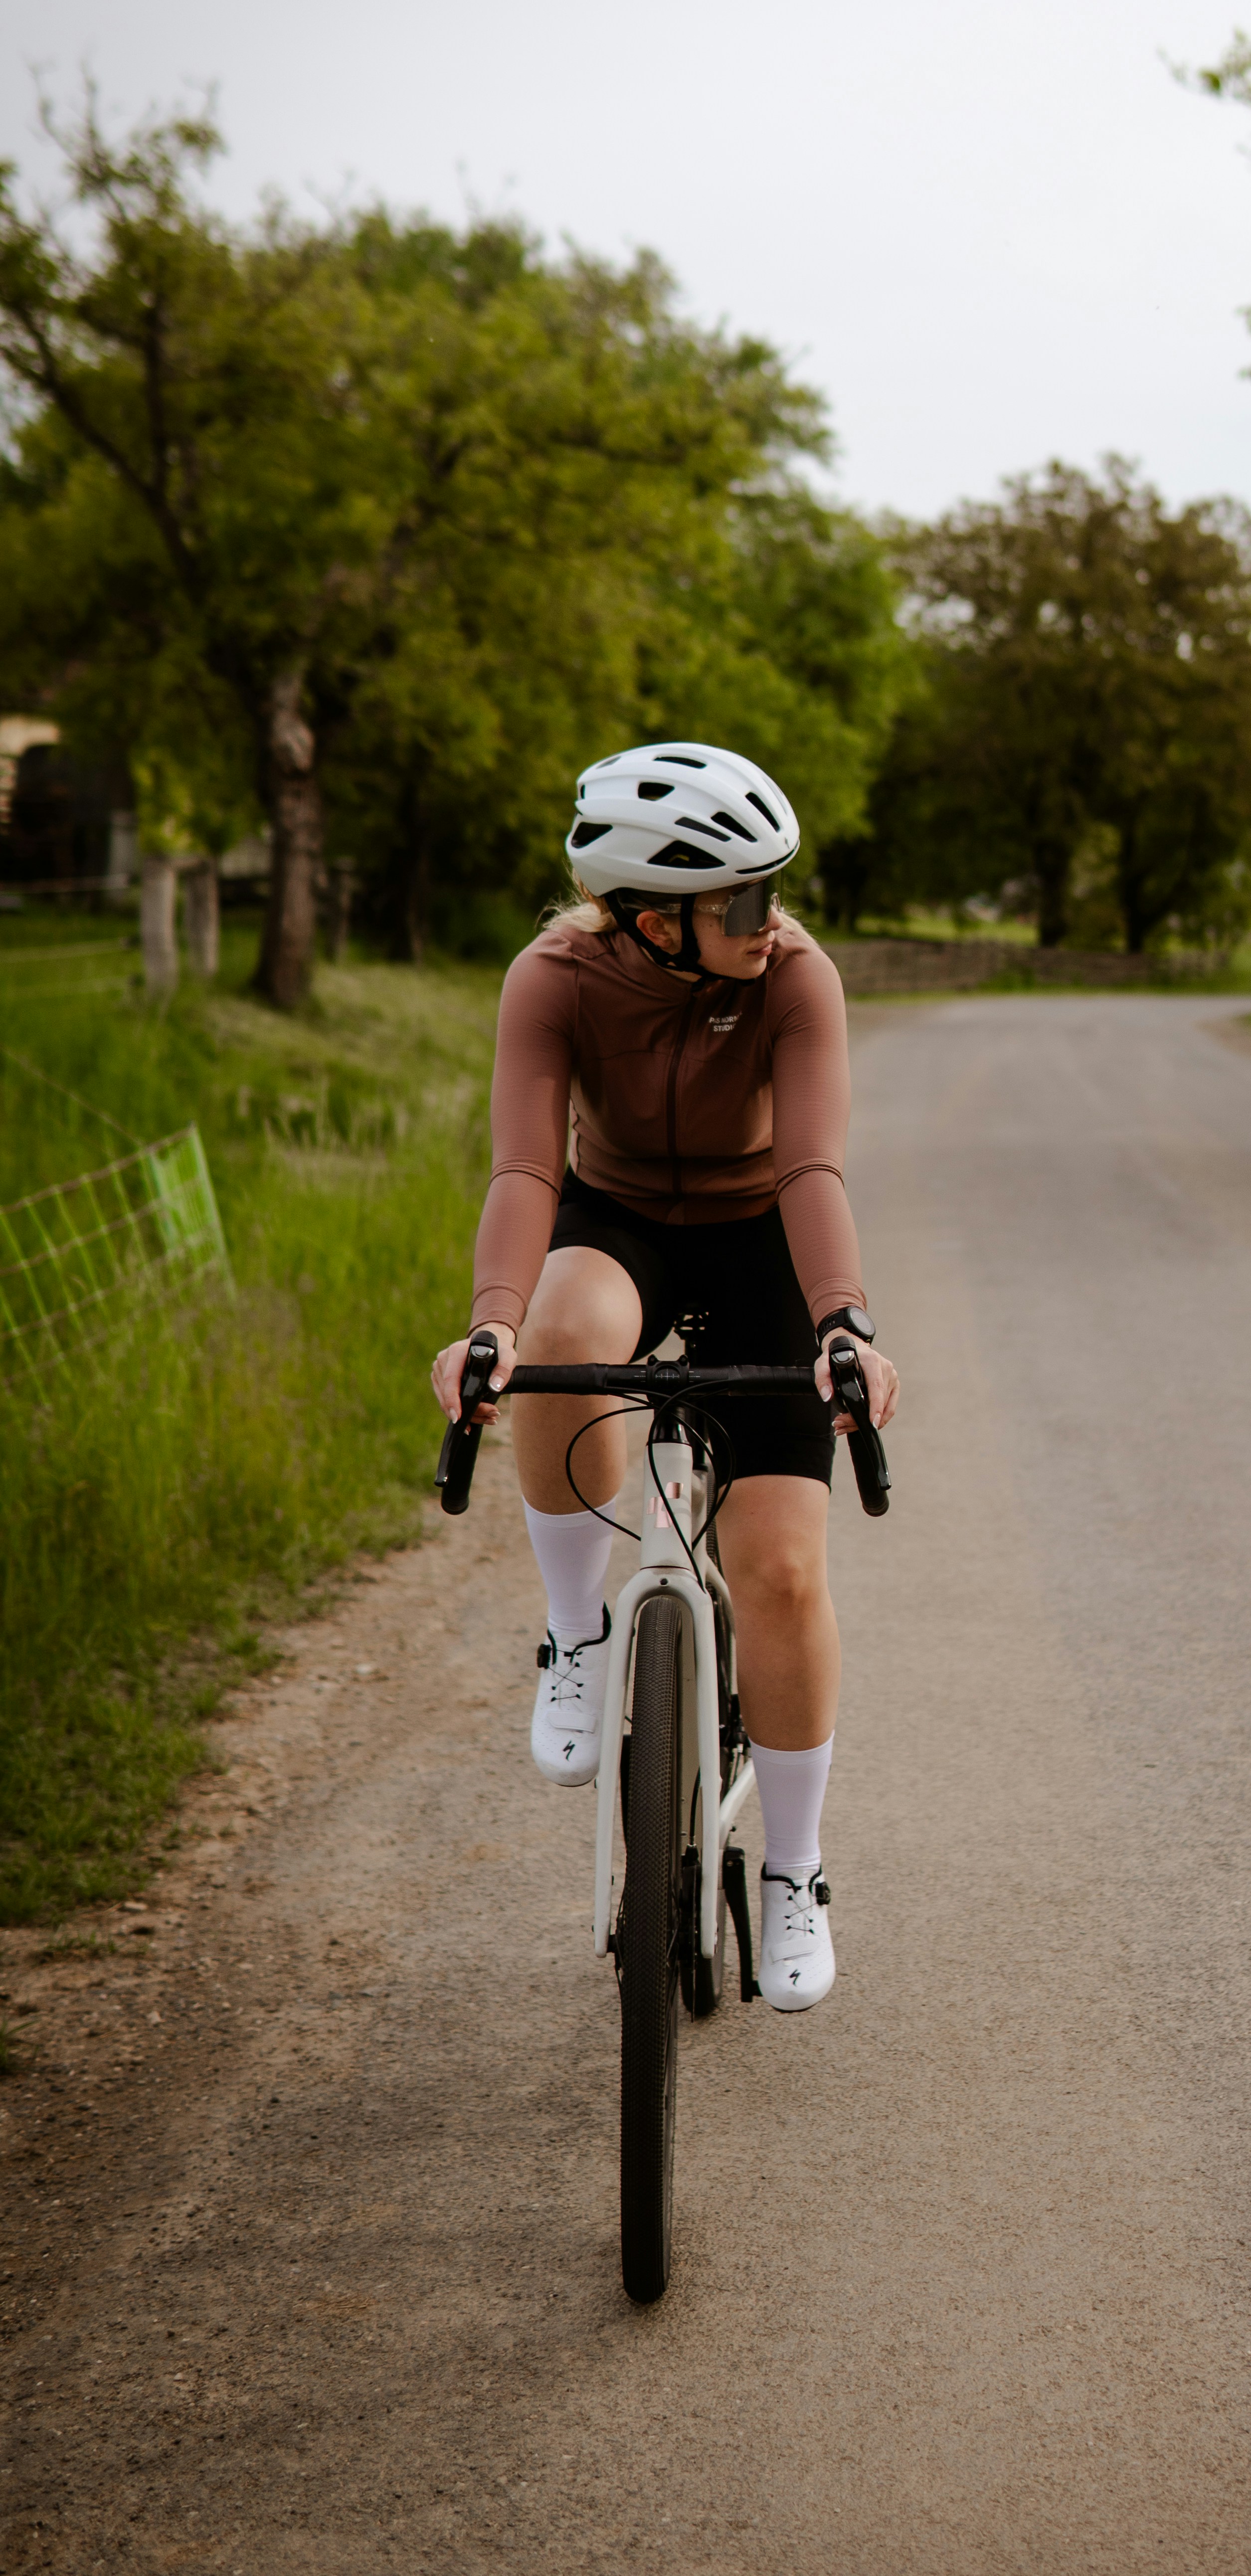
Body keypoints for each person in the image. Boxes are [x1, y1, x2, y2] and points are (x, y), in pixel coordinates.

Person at [429, 741, 898, 2014]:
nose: (770, 919)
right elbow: (527, 1171)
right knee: (564, 1321)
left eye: (771, 890)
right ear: (650, 919)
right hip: (618, 1217)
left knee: (784, 1567)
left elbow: (811, 1168)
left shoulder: (794, 975)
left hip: (761, 1239)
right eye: (740, 900)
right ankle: (578, 1632)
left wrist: (842, 1323)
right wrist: (489, 1328)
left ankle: (794, 1871)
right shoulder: (554, 979)